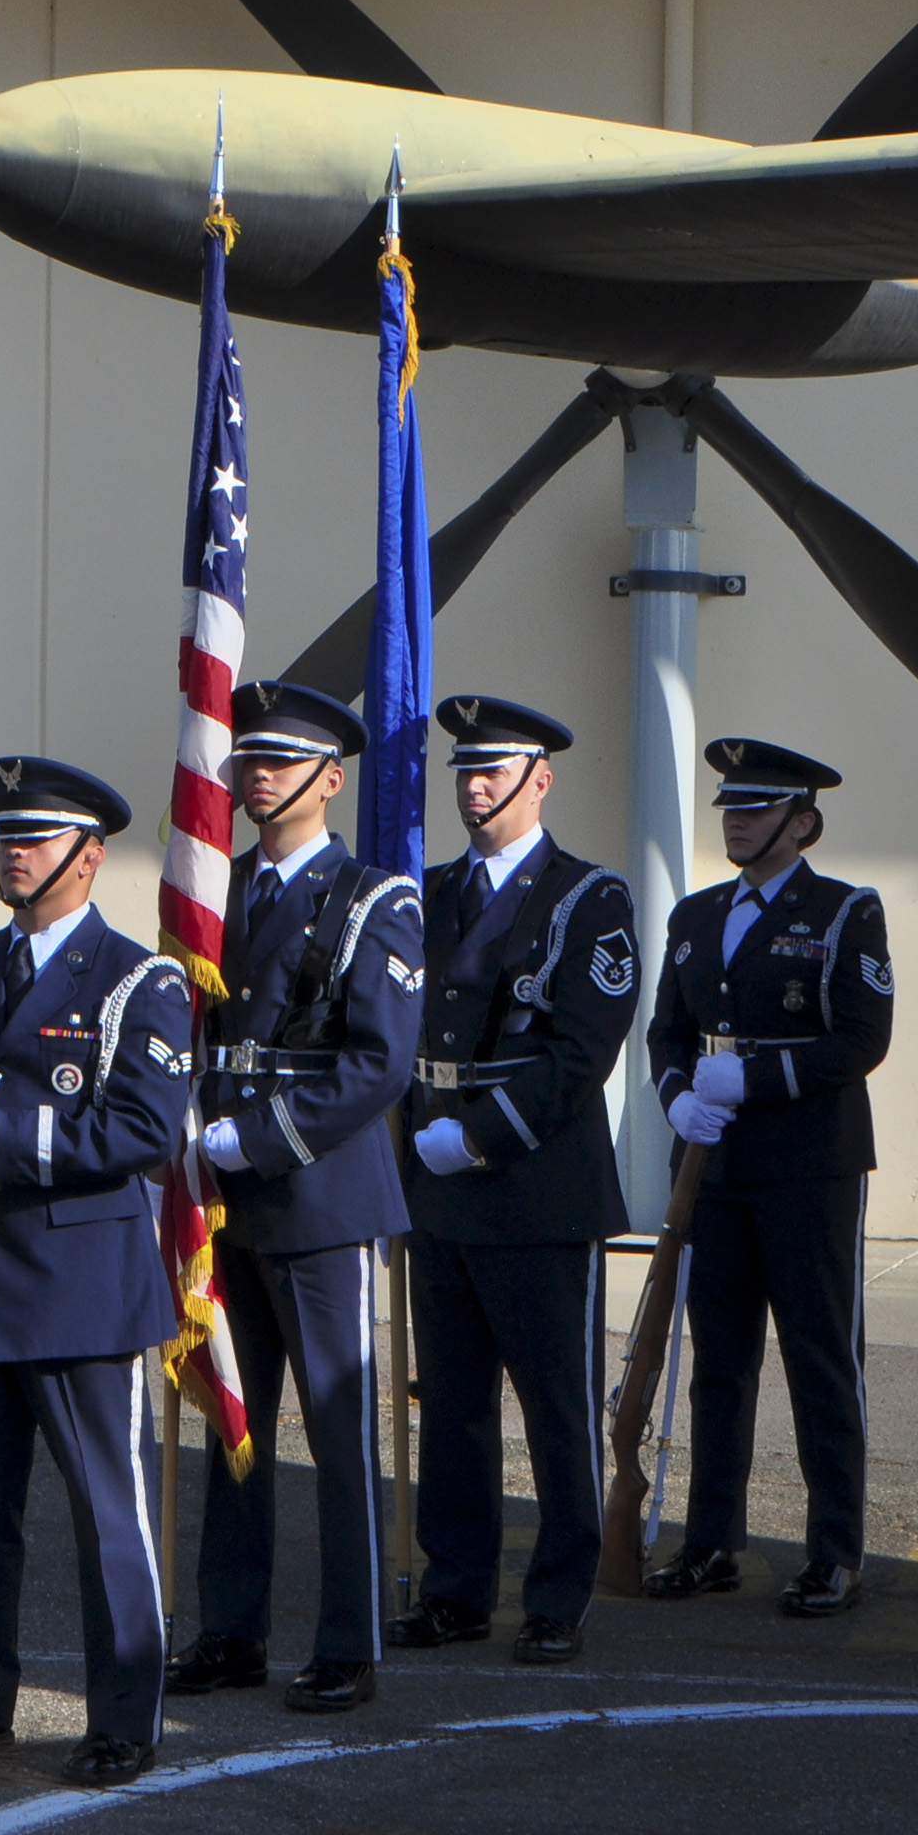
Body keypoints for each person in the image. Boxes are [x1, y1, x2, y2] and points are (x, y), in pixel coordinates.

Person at [0, 756, 193, 1787]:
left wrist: (7, 1140)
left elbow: (146, 1129)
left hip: (81, 1288)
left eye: (36, 837)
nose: (13, 852)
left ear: (88, 856)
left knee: (109, 1512)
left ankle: (125, 1718)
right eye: (7, 835)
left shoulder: (137, 980)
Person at [166, 681, 422, 1715]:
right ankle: (231, 1630)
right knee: (233, 1422)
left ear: (331, 778)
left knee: (335, 1425)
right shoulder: (216, 893)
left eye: (281, 763)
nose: (257, 778)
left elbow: (378, 1064)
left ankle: (348, 1639)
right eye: (250, 762)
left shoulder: (375, 900)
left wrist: (257, 1137)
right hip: (219, 1199)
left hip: (313, 1195)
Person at [385, 696, 638, 1667]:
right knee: (450, 1404)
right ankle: (456, 1589)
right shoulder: (432, 892)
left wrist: (478, 1137)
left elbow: (579, 1054)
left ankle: (558, 1597)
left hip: (533, 1188)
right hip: (439, 1189)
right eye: (463, 769)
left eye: (494, 769)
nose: (475, 785)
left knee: (555, 1406)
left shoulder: (588, 898)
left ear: (542, 778)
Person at [643, 738, 894, 1620]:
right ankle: (712, 1539)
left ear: (804, 822)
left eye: (757, 808)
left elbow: (862, 1040)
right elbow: (665, 1035)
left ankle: (836, 1553)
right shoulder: (695, 914)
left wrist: (755, 1077)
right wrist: (677, 1099)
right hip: (713, 1166)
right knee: (720, 1359)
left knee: (822, 1361)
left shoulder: (844, 912)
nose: (737, 819)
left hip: (807, 1166)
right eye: (730, 806)